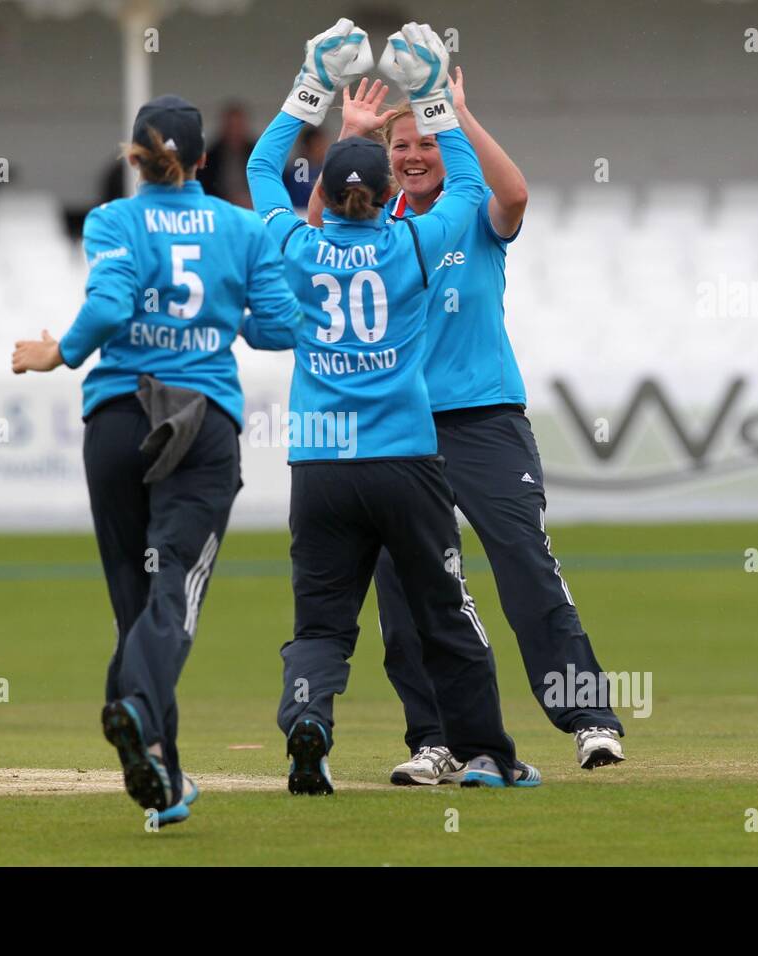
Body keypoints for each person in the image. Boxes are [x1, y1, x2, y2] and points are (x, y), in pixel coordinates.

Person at [307, 71, 627, 784]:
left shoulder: (471, 207)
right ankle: (438, 741)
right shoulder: (372, 226)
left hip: (484, 419)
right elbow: (309, 244)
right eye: (401, 146)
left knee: (524, 564)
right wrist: (350, 140)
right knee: (406, 588)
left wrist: (457, 115)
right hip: (400, 430)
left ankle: (590, 718)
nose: (414, 155)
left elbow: (515, 195)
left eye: (426, 142)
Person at [248, 19, 539, 793]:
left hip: (318, 460)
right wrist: (435, 92)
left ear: (323, 198)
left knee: (320, 624)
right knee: (444, 609)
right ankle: (486, 755)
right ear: (386, 198)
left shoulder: (299, 248)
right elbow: (474, 185)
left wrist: (312, 79)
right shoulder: (409, 246)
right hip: (405, 458)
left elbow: (259, 166)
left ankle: (309, 722)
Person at [12, 95, 302, 827]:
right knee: (174, 586)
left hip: (117, 419)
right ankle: (136, 711)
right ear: (204, 160)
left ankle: (165, 778)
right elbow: (280, 327)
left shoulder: (113, 220)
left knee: (134, 602)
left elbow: (109, 309)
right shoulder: (240, 227)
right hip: (199, 421)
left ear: (134, 159)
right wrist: (217, 312)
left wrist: (59, 354)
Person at [200, 103, 257, 207]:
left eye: (238, 126)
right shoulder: (211, 157)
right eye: (231, 126)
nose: (235, 132)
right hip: (220, 208)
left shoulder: (257, 153)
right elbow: (206, 188)